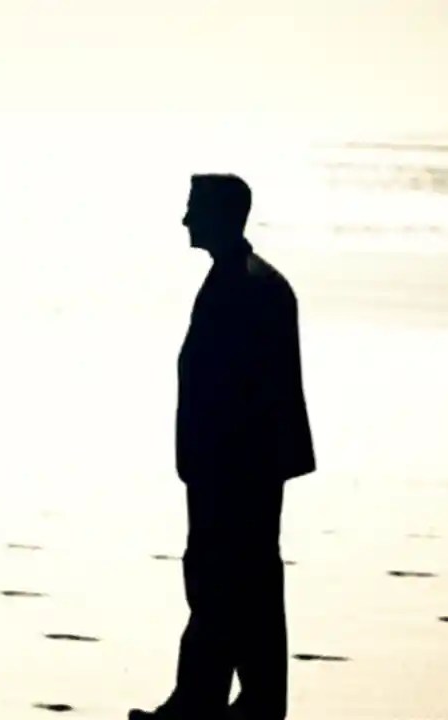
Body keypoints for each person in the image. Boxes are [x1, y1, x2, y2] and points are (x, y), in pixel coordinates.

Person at [130, 174, 316, 720]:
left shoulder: (249, 286)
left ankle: (210, 701)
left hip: (236, 467)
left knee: (226, 578)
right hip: (233, 464)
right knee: (237, 579)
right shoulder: (244, 280)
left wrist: (216, 463)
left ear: (221, 215)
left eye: (194, 209)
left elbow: (247, 390)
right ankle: (230, 699)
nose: (186, 221)